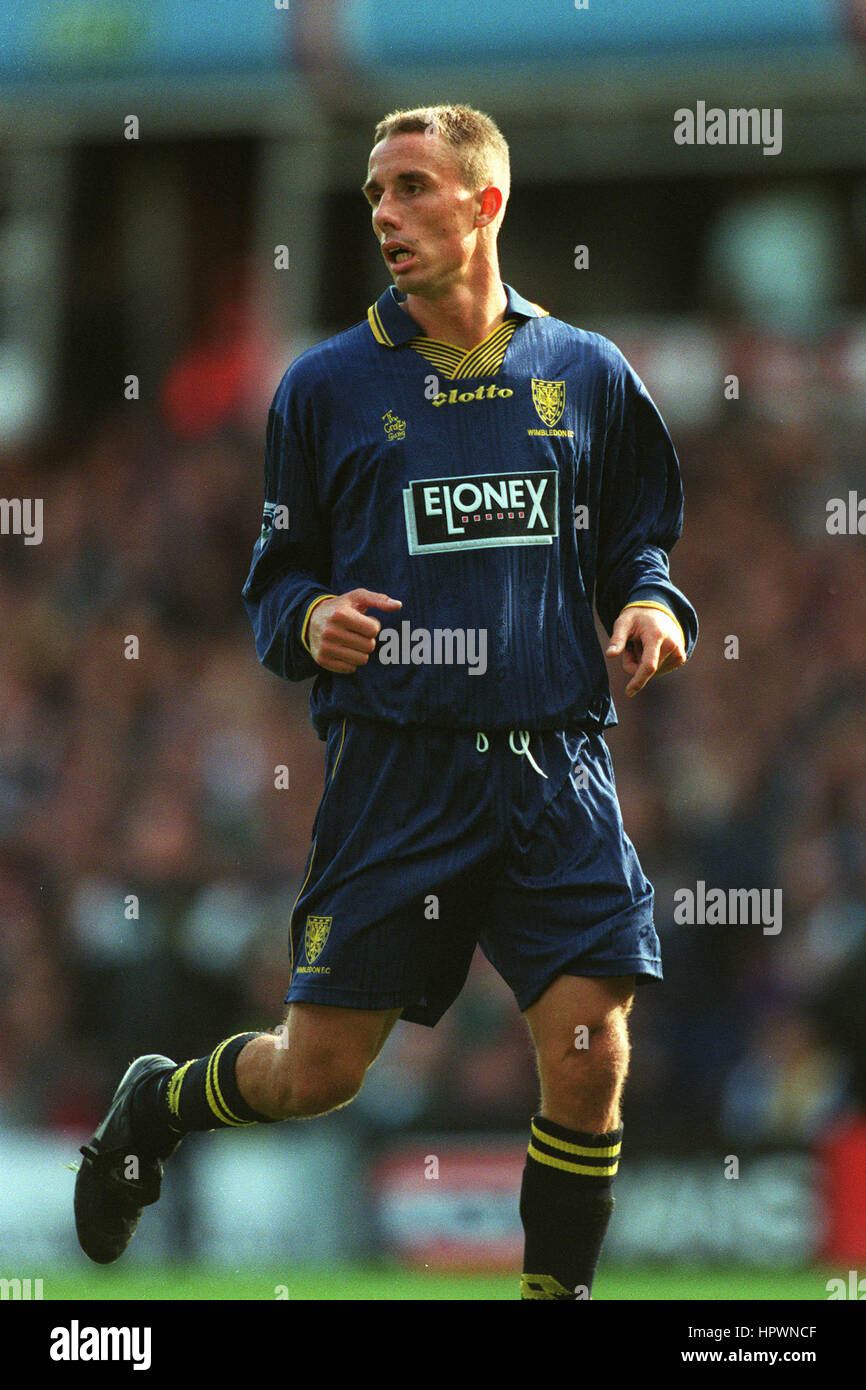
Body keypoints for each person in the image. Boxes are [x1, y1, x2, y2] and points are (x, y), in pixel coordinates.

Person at [74, 104, 697, 1300]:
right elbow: (275, 580)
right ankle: (154, 1104)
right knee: (317, 1076)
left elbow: (639, 541)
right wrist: (311, 620)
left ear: (485, 205)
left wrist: (654, 606)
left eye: (412, 188)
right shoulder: (324, 388)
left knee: (588, 1054)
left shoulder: (587, 374)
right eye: (373, 195)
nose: (386, 215)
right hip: (398, 775)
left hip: (554, 766)